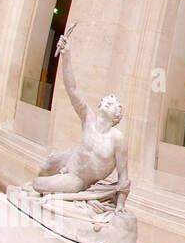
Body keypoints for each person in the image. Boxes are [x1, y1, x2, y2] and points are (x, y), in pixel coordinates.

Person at [32, 31, 130, 211]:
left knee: (38, 184)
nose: (108, 101)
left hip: (78, 178)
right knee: (44, 166)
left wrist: (120, 207)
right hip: (69, 157)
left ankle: (42, 192)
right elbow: (72, 89)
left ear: (117, 117)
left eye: (114, 103)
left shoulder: (117, 139)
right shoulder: (88, 119)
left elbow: (124, 177)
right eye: (106, 100)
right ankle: (37, 194)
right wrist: (66, 55)